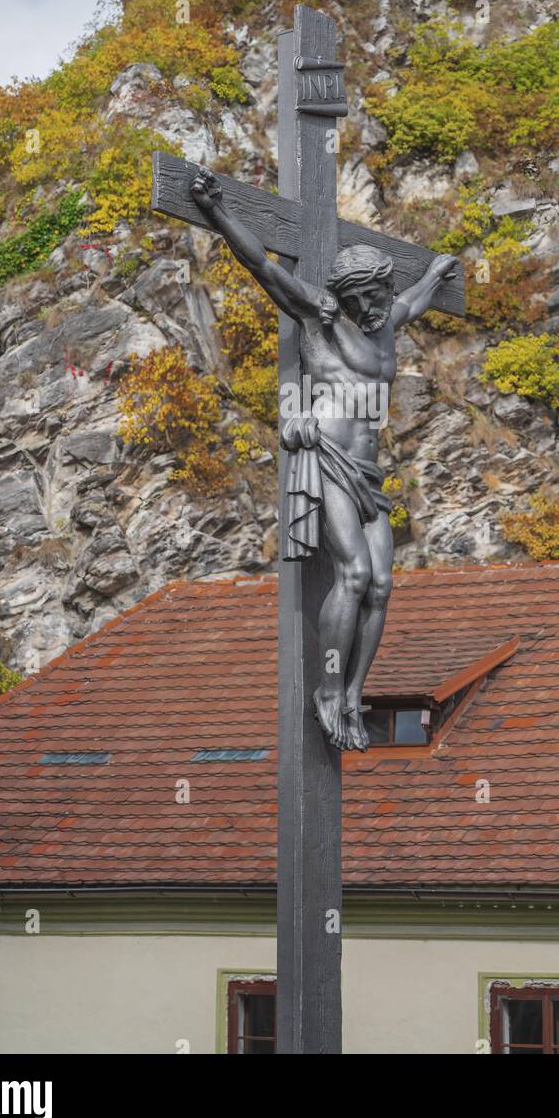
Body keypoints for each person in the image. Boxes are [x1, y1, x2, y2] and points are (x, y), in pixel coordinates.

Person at [189, 166, 458, 750]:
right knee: (354, 573)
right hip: (331, 457)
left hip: (370, 472)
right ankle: (328, 689)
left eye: (377, 296)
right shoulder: (323, 316)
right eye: (361, 298)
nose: (371, 306)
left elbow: (417, 297)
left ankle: (353, 691)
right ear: (343, 295)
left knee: (383, 585)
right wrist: (217, 212)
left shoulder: (387, 322)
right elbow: (263, 267)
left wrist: (438, 270)